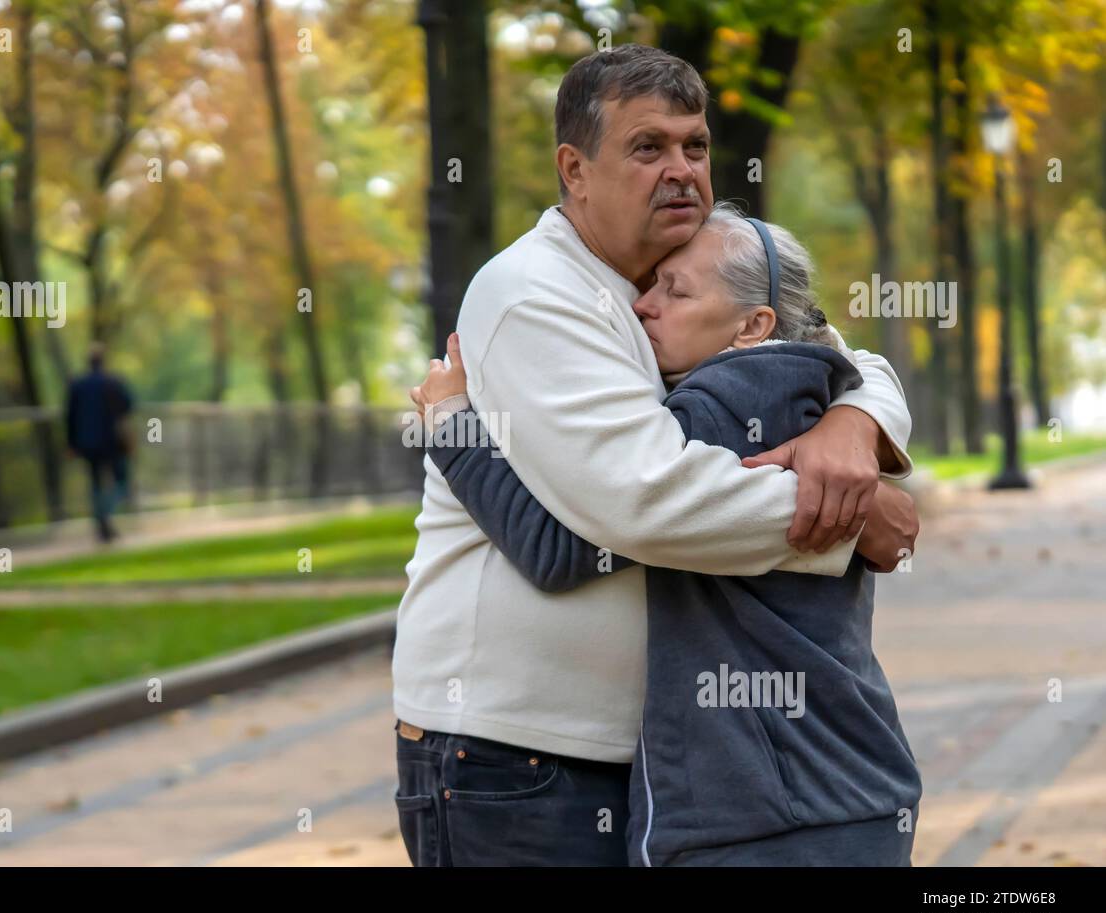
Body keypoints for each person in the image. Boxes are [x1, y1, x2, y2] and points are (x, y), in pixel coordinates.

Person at [391, 44, 919, 867]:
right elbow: (639, 503)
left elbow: (832, 354)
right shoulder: (535, 293)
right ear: (575, 169)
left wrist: (854, 428)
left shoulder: (695, 266)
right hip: (511, 757)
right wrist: (855, 519)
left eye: (695, 146)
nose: (681, 170)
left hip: (639, 761)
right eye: (647, 148)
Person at [65, 342, 134, 542]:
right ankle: (105, 514)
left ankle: (102, 520)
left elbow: (69, 417)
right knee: (121, 481)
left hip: (87, 443)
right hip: (112, 441)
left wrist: (71, 443)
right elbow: (127, 408)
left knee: (95, 483)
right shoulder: (113, 382)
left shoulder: (77, 385)